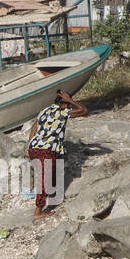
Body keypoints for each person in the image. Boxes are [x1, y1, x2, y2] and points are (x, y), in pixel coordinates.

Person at [27, 89, 88, 219]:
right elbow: (84, 111)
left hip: (34, 148)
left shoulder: (44, 111)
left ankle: (52, 196)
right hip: (47, 150)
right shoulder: (63, 112)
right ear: (65, 103)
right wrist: (71, 100)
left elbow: (34, 128)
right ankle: (38, 211)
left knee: (51, 171)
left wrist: (31, 144)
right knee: (45, 179)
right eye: (68, 103)